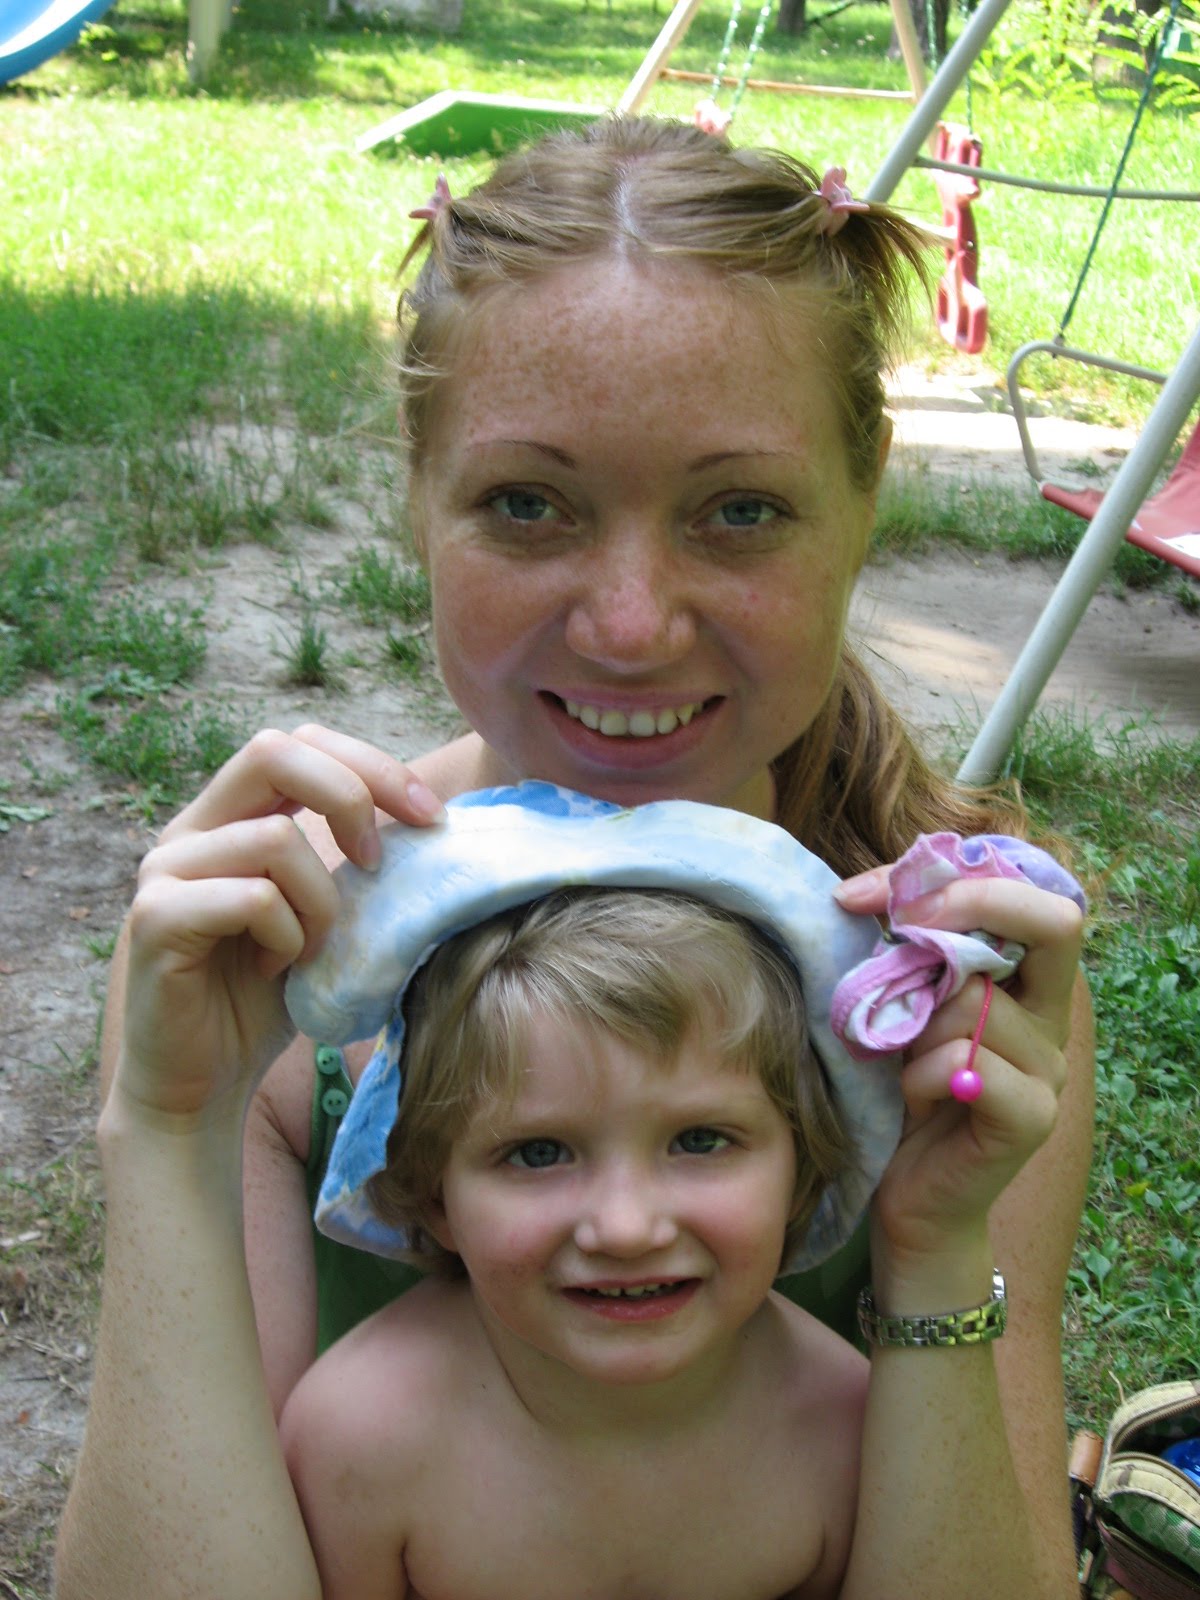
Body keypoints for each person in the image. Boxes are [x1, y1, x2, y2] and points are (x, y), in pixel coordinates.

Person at [56, 116, 1091, 1600]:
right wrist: (164, 1132)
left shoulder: (953, 984)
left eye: (739, 510)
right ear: (420, 503)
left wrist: (934, 1253)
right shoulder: (274, 948)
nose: (627, 624)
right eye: (528, 504)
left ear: (863, 508)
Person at [272, 785, 1071, 1600]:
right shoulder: (359, 1441)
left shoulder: (849, 1431)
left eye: (700, 1141)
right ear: (432, 1192)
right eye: (538, 1152)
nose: (625, 1227)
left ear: (804, 1163)